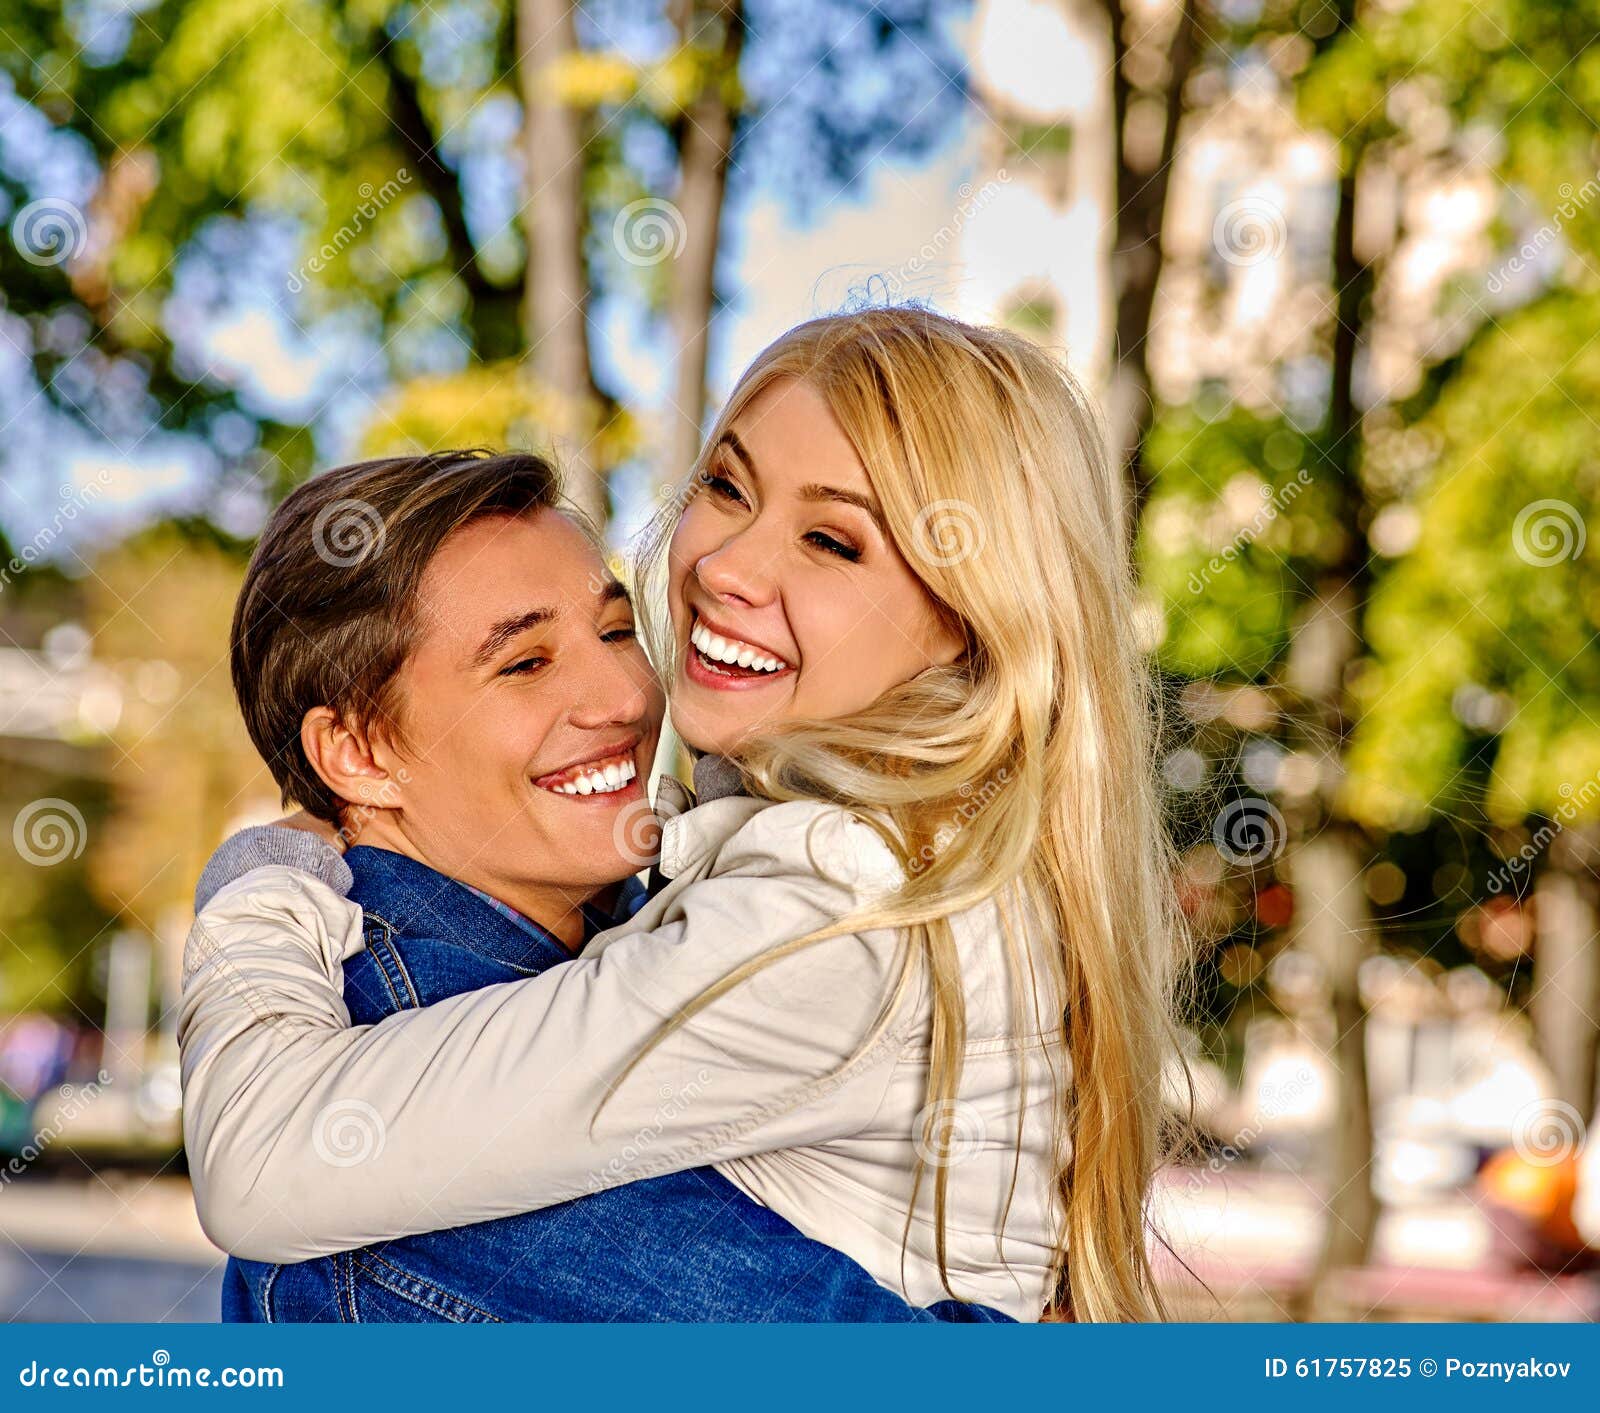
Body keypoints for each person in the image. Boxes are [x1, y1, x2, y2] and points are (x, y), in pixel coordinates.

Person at [180, 305, 1191, 1322]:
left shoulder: (842, 916)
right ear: (355, 752)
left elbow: (263, 1163)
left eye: (833, 542)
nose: (725, 566)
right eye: (726, 486)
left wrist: (263, 876)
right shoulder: (882, 862)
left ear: (971, 618)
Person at [199, 449, 1001, 1322]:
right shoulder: (396, 1069)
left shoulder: (632, 943)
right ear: (360, 754)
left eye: (617, 633)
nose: (622, 694)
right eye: (524, 664)